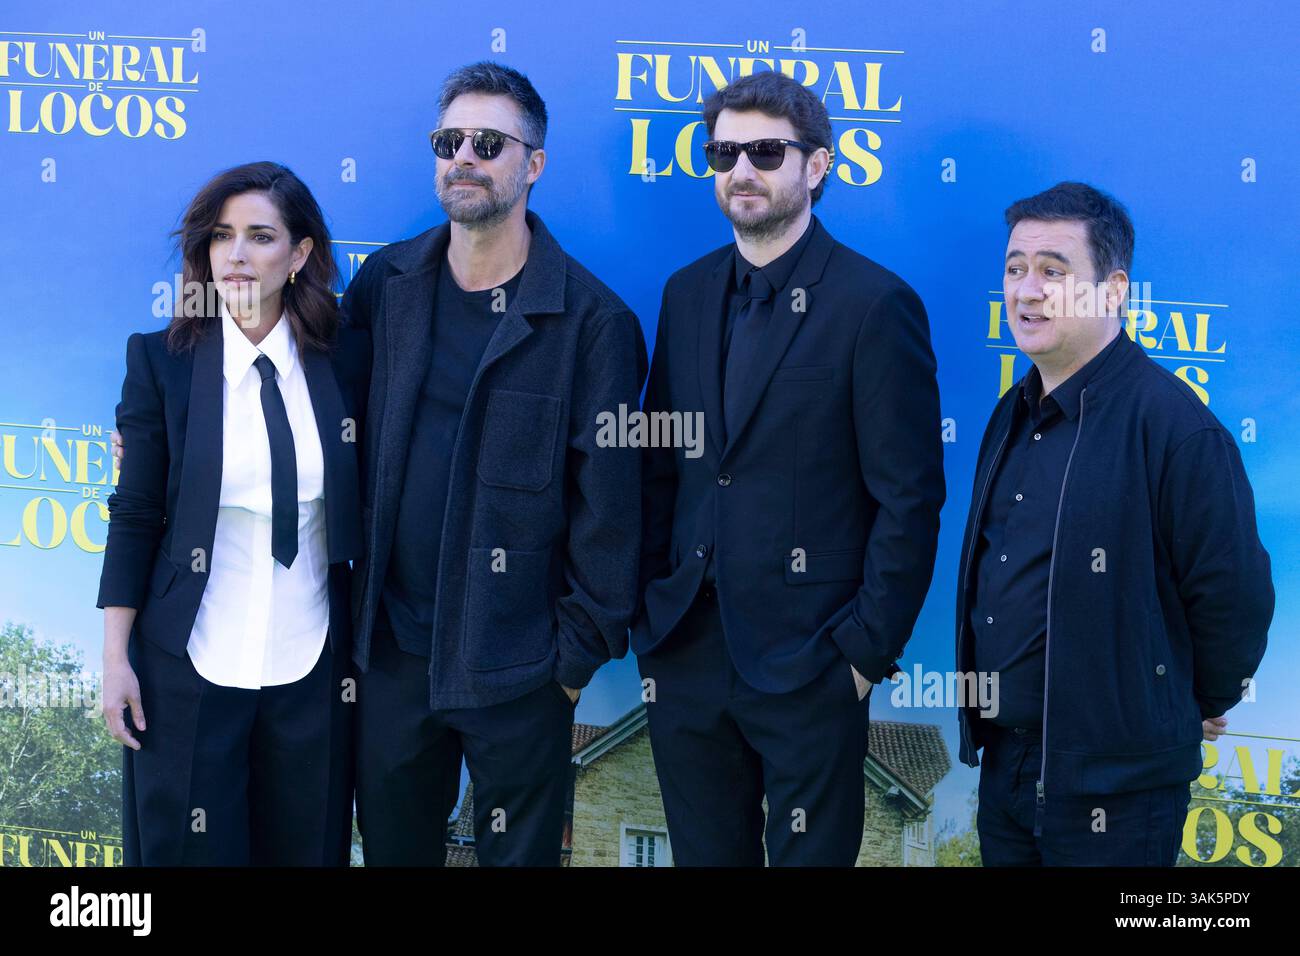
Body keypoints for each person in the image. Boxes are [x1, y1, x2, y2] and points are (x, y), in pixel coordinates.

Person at [635, 71, 945, 865]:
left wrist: (861, 658)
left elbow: (908, 500)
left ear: (817, 166)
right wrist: (649, 614)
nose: (741, 170)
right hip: (686, 656)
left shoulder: (875, 304)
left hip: (813, 662)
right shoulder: (685, 293)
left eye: (766, 152)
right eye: (723, 152)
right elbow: (659, 464)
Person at [340, 62, 646, 866]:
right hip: (394, 657)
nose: (463, 158)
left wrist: (570, 666)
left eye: (488, 142)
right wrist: (177, 424)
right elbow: (317, 415)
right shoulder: (386, 285)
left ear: (533, 164)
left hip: (519, 674)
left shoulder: (594, 324)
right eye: (448, 141)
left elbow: (611, 514)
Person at [956, 181, 1274, 866]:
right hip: (1005, 772)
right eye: (1015, 268)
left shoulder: (1176, 429)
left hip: (1118, 796)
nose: (1026, 289)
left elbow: (1235, 601)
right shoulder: (1008, 416)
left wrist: (1173, 700)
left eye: (1053, 269)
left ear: (1114, 289)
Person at [98, 161, 370, 865]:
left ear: (301, 254)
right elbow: (133, 516)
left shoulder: (348, 362)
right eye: (222, 237)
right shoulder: (162, 364)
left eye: (260, 236)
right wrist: (113, 660)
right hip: (187, 666)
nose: (238, 255)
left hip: (313, 668)